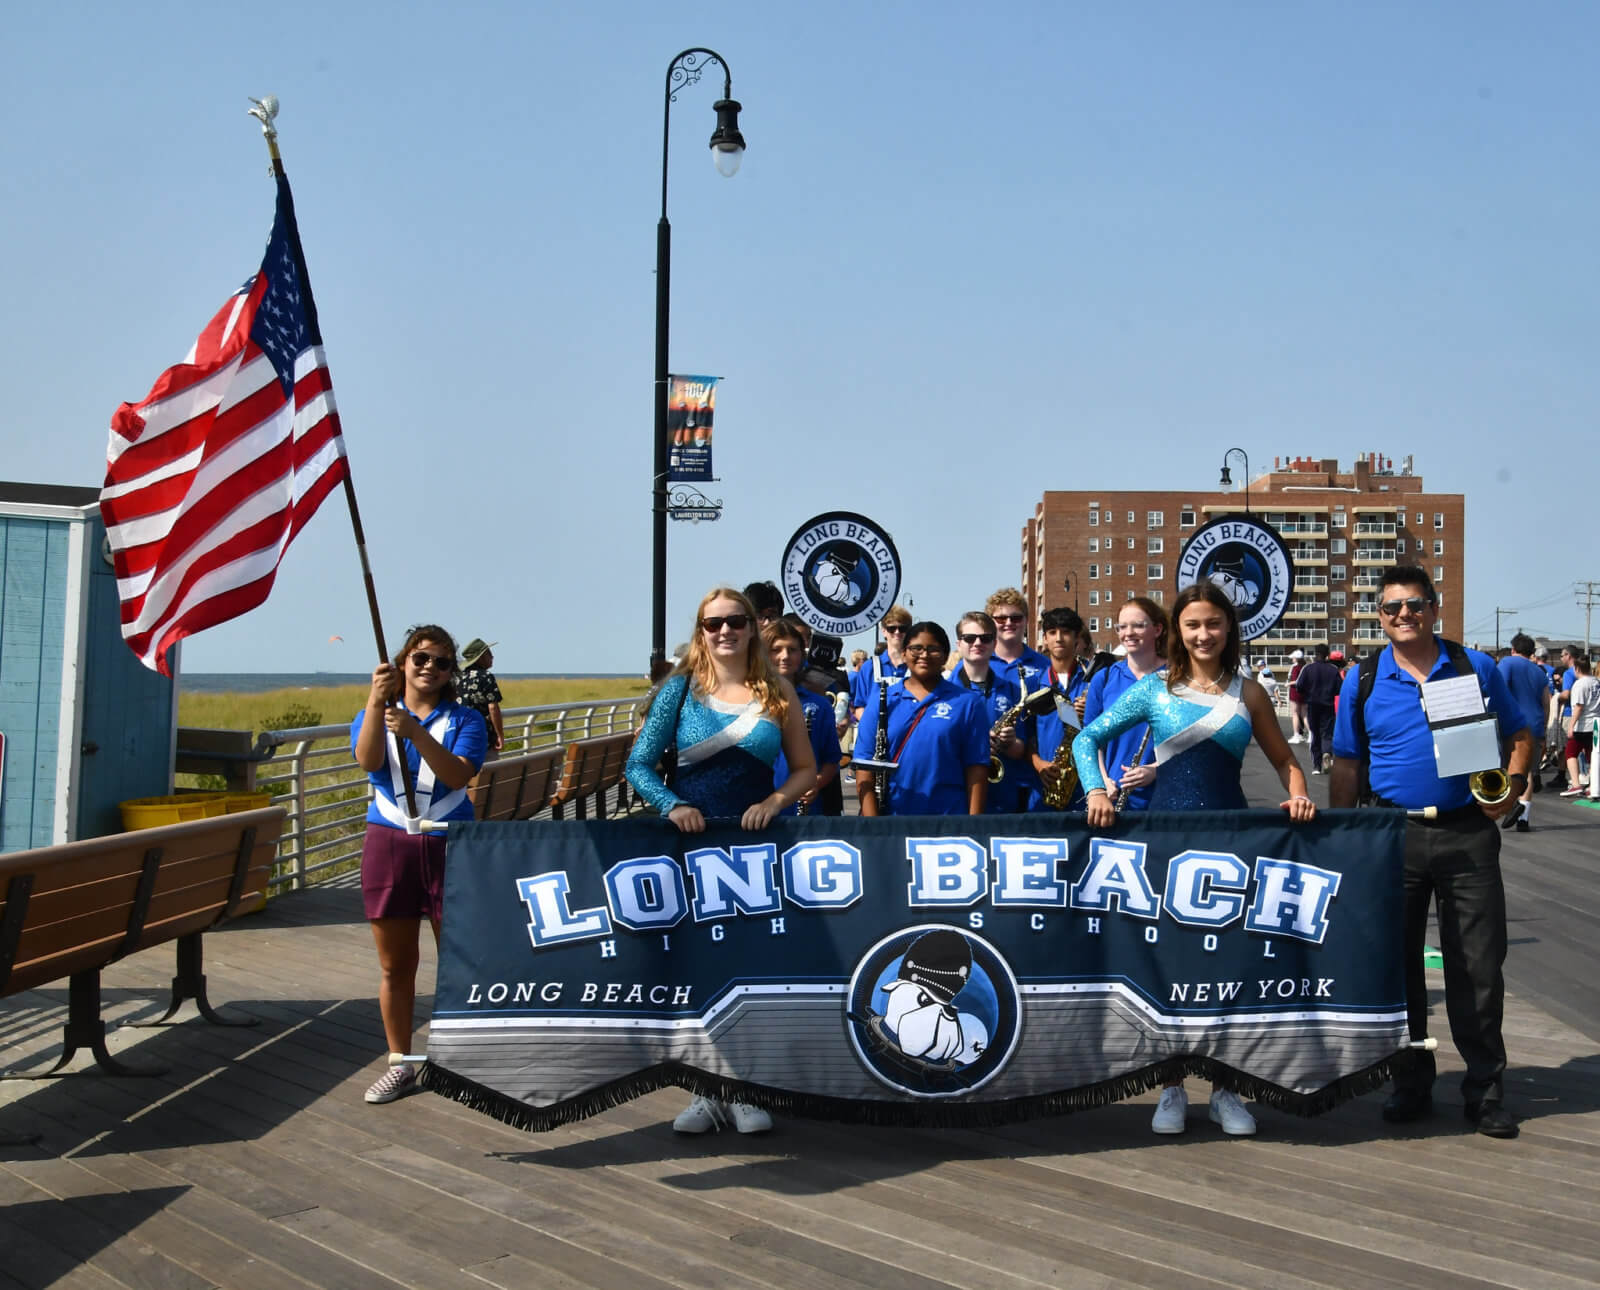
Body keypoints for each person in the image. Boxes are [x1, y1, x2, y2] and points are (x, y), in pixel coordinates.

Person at [1075, 582, 1314, 1137]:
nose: (1203, 634)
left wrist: (1300, 794)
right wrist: (1096, 791)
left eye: (1213, 623)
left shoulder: (1249, 693)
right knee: (1171, 969)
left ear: (1229, 628)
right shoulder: (1154, 689)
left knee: (1228, 970)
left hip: (1231, 843)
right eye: (1192, 625)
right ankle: (1172, 1087)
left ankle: (1227, 1089)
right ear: (1177, 632)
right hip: (1166, 845)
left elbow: (1286, 761)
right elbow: (1087, 740)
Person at [1328, 565, 1533, 1139]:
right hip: (1392, 833)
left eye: (1415, 605)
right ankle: (1411, 1083)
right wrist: (1343, 838)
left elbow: (1520, 735)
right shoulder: (1363, 679)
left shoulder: (1474, 666)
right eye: (1392, 607)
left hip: (1468, 833)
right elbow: (1347, 763)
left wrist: (1514, 787)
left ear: (1433, 609)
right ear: (1379, 616)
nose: (1404, 615)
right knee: (1398, 967)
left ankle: (1484, 1090)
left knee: (1478, 965)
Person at [626, 587, 816, 1135]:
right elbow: (638, 765)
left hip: (754, 849)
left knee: (750, 966)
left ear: (752, 627)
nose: (725, 631)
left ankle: (745, 1087)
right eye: (714, 624)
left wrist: (776, 801)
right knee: (699, 969)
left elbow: (805, 769)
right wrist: (672, 804)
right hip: (691, 849)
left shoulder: (777, 690)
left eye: (735, 621)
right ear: (701, 632)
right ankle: (706, 1091)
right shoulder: (679, 690)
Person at [351, 625, 487, 1105]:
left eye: (442, 662)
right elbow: (368, 760)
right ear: (402, 663)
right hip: (389, 842)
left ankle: (463, 1059)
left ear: (451, 672)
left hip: (451, 842)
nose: (430, 667)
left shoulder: (467, 719)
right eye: (421, 658)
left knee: (461, 958)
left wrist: (414, 733)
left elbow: (458, 774)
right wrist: (376, 702)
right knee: (396, 965)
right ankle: (401, 1063)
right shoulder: (375, 713)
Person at [855, 621, 989, 816]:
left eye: (933, 649)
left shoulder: (968, 703)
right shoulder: (881, 700)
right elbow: (864, 767)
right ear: (904, 654)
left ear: (945, 656)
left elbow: (976, 768)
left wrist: (973, 824)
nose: (924, 655)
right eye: (916, 648)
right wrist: (873, 826)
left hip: (949, 819)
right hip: (892, 819)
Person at [1077, 597, 1169, 814]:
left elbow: (1192, 742)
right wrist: (1100, 783)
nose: (1128, 633)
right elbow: (1091, 741)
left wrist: (1157, 770)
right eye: (1122, 627)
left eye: (1138, 625)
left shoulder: (1176, 678)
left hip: (1165, 796)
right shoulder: (1104, 678)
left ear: (1157, 629)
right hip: (1115, 798)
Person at [947, 611, 1029, 813]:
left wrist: (1010, 742)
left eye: (985, 638)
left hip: (1003, 799)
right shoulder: (944, 692)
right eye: (969, 638)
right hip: (958, 797)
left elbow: (1022, 750)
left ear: (994, 644)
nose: (977, 643)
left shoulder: (1013, 691)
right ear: (959, 644)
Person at [763, 619, 842, 815]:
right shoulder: (746, 701)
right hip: (756, 809)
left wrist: (815, 783)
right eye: (776, 650)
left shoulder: (820, 705)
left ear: (802, 655)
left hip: (805, 813)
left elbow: (831, 760)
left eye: (792, 650)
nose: (785, 656)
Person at [985, 588, 1052, 809]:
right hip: (983, 776)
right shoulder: (976, 662)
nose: (1008, 623)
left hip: (1029, 779)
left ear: (1026, 621)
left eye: (1016, 618)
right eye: (1000, 618)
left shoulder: (1044, 666)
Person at [1498, 633, 1551, 828]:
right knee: (1527, 770)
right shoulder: (1539, 671)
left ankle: (1512, 803)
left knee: (1506, 767)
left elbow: (1499, 690)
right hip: (1535, 724)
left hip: (1513, 724)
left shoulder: (1507, 663)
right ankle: (1524, 816)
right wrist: (1543, 726)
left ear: (1513, 649)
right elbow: (1546, 703)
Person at [851, 605, 912, 728]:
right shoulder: (869, 667)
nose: (897, 632)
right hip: (876, 733)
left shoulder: (916, 666)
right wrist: (874, 727)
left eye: (902, 628)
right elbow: (859, 707)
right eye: (891, 628)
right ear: (883, 631)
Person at [1295, 644, 1343, 775]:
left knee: (1315, 734)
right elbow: (1340, 688)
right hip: (1328, 705)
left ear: (1315, 653)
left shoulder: (1308, 668)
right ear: (1327, 654)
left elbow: (1299, 686)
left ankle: (1317, 766)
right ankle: (1327, 752)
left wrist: (1308, 693)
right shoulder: (1333, 669)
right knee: (1327, 733)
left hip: (1312, 705)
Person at [455, 637, 504, 760]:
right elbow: (493, 708)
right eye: (489, 654)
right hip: (483, 736)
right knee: (489, 769)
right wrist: (499, 734)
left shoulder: (458, 677)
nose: (492, 657)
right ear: (481, 657)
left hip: (460, 734)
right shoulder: (486, 676)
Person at [1561, 655, 1596, 796]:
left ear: (1576, 668)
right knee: (1592, 756)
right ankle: (1593, 786)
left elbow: (1579, 706)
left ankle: (1576, 785)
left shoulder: (1579, 684)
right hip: (1596, 724)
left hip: (1583, 725)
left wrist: (1571, 726)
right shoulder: (1596, 682)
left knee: (1570, 752)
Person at [1286, 648, 1309, 743]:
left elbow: (1296, 681)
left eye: (1293, 657)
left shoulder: (1296, 668)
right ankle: (1311, 734)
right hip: (1305, 693)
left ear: (1296, 658)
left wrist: (1288, 684)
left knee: (1295, 714)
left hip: (1295, 693)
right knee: (1305, 715)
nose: (1292, 659)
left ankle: (1296, 735)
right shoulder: (1306, 667)